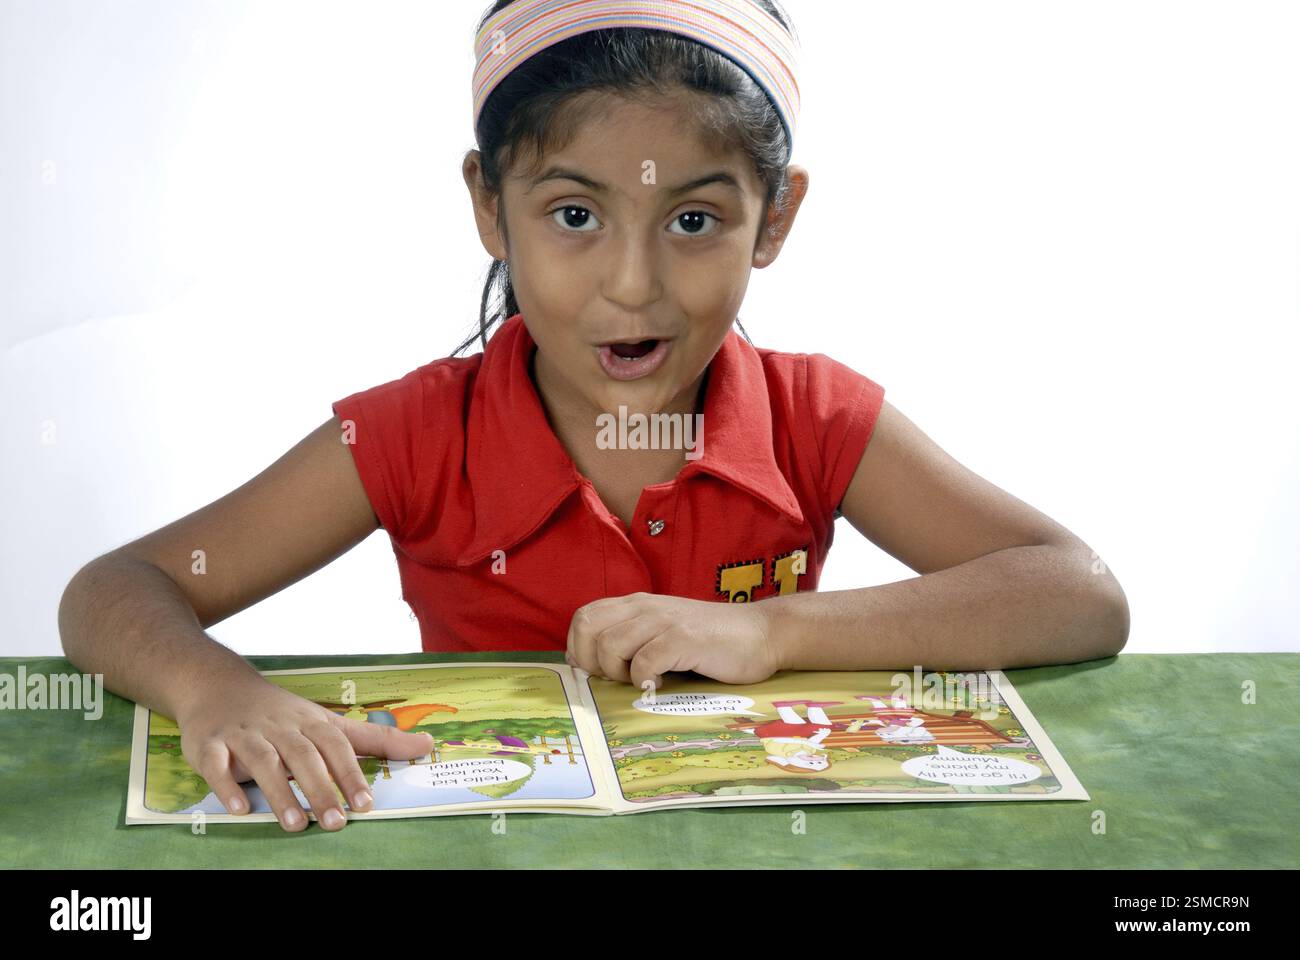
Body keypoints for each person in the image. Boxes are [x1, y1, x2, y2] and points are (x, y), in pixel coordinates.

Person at [59, 0, 1129, 833]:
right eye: (573, 214)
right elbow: (117, 589)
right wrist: (216, 690)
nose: (633, 284)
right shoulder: (407, 435)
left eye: (694, 218)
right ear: (489, 207)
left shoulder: (815, 417)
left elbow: (1075, 593)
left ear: (777, 217)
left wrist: (773, 630)